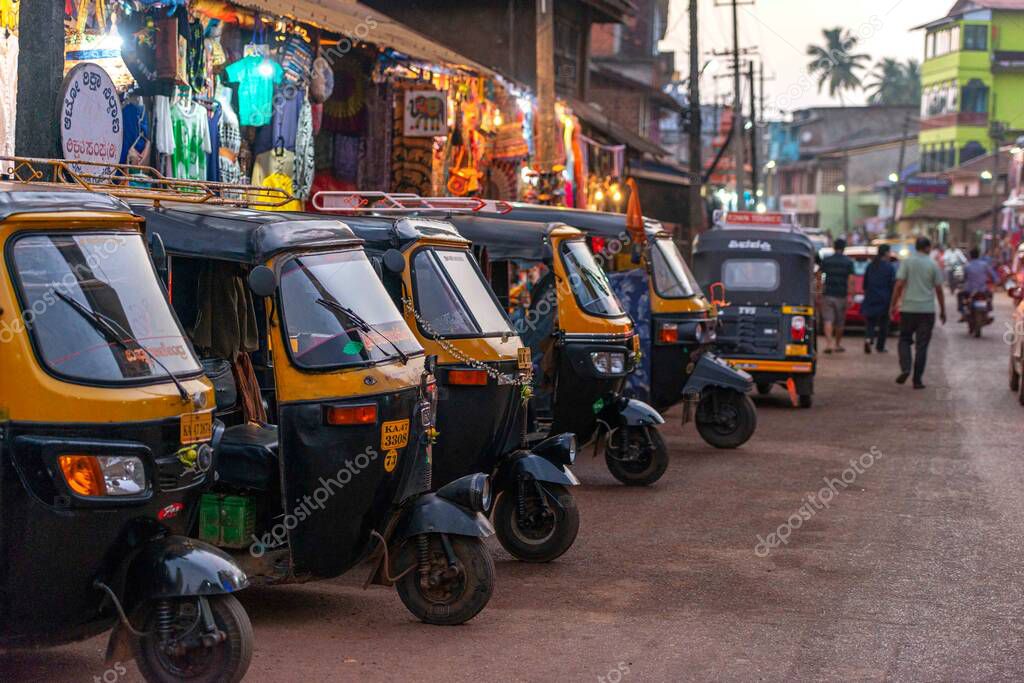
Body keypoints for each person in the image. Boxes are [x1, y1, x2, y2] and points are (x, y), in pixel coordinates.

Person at [890, 236, 947, 389]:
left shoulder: (907, 262)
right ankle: (917, 380)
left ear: (916, 247)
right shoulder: (933, 264)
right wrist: (942, 310)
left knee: (904, 339)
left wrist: (893, 305)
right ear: (928, 248)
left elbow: (899, 285)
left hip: (908, 309)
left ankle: (906, 367)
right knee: (922, 346)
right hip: (926, 311)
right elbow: (939, 290)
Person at [817, 238, 856, 353]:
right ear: (844, 248)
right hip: (841, 295)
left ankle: (829, 344)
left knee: (828, 320)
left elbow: (819, 275)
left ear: (834, 247)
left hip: (827, 294)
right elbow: (851, 280)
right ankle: (837, 344)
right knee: (840, 322)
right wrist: (851, 296)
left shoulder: (827, 260)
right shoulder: (848, 262)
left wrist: (819, 291)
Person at [861, 244, 896, 353]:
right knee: (883, 324)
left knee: (870, 322)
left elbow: (865, 284)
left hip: (871, 297)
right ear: (886, 253)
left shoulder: (870, 266)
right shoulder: (890, 267)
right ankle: (880, 346)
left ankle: (868, 339)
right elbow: (892, 284)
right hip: (885, 299)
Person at [958, 247, 998, 323]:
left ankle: (963, 313)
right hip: (982, 290)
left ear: (970, 255)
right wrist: (996, 282)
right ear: (979, 255)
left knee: (960, 295)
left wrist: (962, 283)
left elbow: (963, 278)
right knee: (990, 295)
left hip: (969, 290)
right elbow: (994, 276)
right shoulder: (984, 265)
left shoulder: (967, 266)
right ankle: (988, 312)